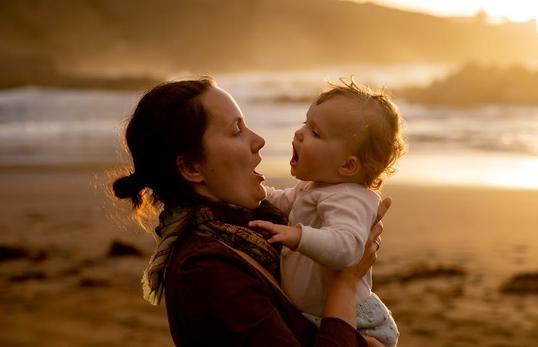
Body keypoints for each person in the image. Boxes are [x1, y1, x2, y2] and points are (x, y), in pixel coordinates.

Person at [112, 77, 391, 346]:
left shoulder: (249, 225)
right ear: (192, 168)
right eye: (236, 131)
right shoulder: (206, 272)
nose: (259, 141)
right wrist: (344, 280)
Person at [249, 80, 406, 347]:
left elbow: (348, 248)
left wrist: (299, 236)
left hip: (357, 319)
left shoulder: (350, 198)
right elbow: (280, 201)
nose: (300, 134)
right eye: (305, 123)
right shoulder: (313, 188)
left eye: (316, 133)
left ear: (347, 165)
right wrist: (256, 190)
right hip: (318, 313)